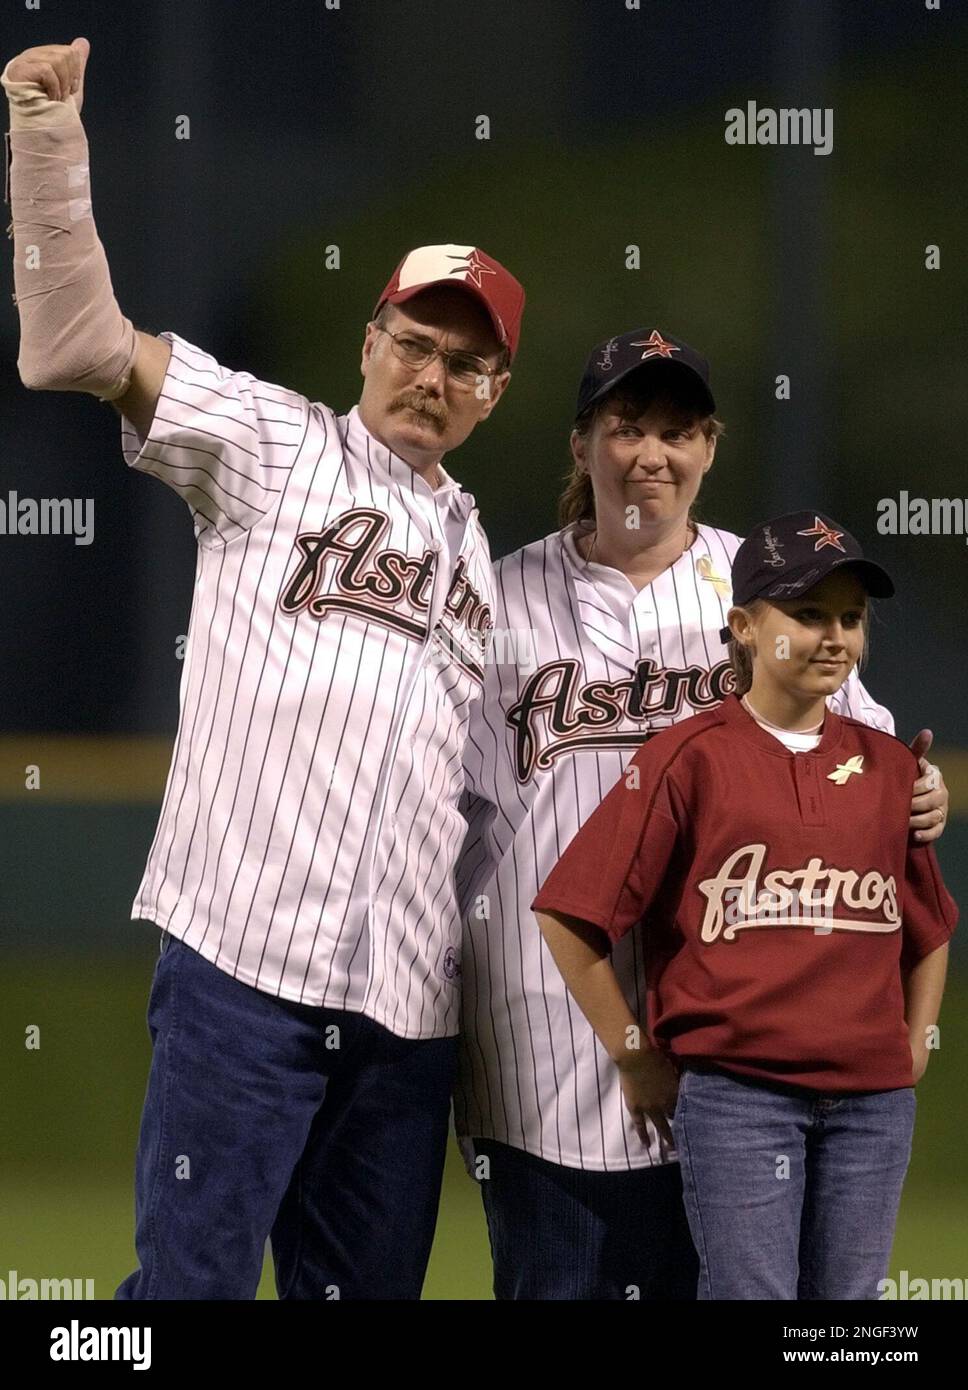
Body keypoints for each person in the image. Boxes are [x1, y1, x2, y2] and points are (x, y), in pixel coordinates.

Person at [3, 37, 525, 1299]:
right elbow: (74, 345)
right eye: (415, 340)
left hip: (404, 1019)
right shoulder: (270, 443)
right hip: (243, 976)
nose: (431, 373)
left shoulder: (483, 562)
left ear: (493, 393)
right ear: (369, 340)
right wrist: (48, 150)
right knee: (177, 1299)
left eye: (464, 361)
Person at [455, 328, 950, 1300]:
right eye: (624, 426)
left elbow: (868, 760)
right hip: (539, 1040)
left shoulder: (767, 584)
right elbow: (443, 806)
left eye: (676, 431)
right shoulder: (497, 601)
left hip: (738, 1054)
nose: (650, 453)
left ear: (709, 448)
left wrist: (918, 795)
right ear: (580, 444)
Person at [532, 512, 957, 1299]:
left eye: (850, 618)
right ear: (745, 628)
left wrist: (914, 1043)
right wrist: (632, 1051)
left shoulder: (890, 767)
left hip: (871, 1106)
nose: (834, 636)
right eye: (807, 613)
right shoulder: (689, 757)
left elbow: (930, 927)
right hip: (739, 1097)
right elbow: (570, 911)